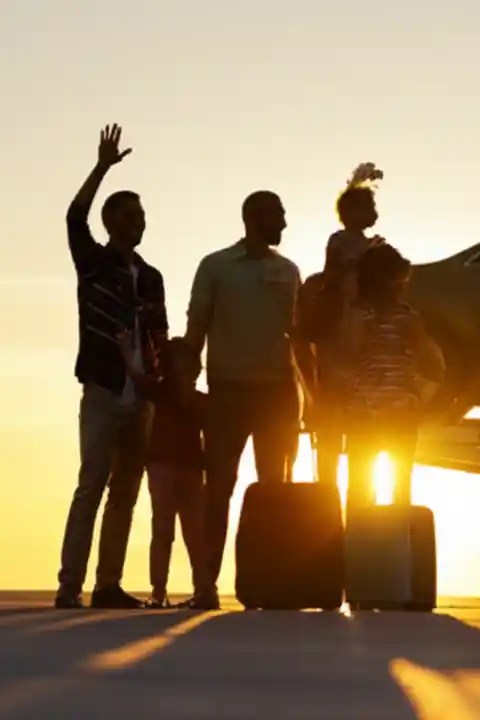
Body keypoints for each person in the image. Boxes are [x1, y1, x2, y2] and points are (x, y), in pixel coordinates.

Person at [55, 124, 168, 610]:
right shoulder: (95, 264)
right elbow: (73, 216)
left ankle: (108, 584)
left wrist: (159, 384)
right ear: (112, 221)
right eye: (130, 214)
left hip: (140, 394)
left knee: (126, 492)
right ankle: (69, 585)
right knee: (92, 485)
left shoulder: (152, 277)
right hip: (102, 387)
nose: (139, 221)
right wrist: (102, 167)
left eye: (141, 213)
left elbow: (159, 337)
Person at [183, 190, 304, 609]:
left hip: (277, 394)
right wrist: (186, 385)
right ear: (254, 218)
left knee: (275, 493)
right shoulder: (216, 267)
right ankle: (205, 587)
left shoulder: (289, 271)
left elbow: (301, 339)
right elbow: (196, 325)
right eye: (278, 216)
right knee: (217, 491)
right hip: (227, 391)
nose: (285, 225)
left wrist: (309, 398)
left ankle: (268, 582)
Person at [334, 243, 445, 510]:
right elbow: (347, 353)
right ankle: (361, 542)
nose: (399, 287)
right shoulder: (358, 315)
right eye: (394, 280)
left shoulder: (409, 317)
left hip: (400, 415)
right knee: (360, 487)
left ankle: (397, 541)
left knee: (400, 487)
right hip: (364, 415)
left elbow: (435, 364)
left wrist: (418, 398)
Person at [299, 163, 387, 487]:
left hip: (360, 324)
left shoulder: (368, 244)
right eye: (370, 206)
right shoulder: (341, 241)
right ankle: (327, 488)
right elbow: (332, 276)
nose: (375, 211)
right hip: (342, 324)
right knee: (335, 411)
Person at [143, 338, 209, 609]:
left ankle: (192, 590)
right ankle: (173, 590)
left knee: (180, 530)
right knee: (174, 530)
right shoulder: (163, 394)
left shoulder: (186, 399)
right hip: (173, 466)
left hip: (181, 467)